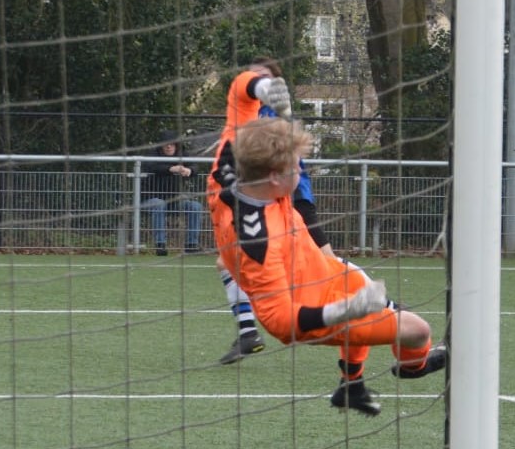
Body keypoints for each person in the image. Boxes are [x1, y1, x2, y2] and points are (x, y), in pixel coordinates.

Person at [213, 116, 445, 414]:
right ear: (274, 177)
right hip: (316, 310)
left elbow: (238, 113)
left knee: (364, 287)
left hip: (324, 273)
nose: (301, 171)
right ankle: (414, 368)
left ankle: (351, 387)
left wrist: (256, 92)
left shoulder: (228, 179)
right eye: (295, 166)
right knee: (418, 331)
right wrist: (346, 309)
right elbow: (280, 321)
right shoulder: (260, 243)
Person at [206, 58, 296, 364]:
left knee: (317, 267)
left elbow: (291, 172)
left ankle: (380, 308)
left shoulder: (270, 121)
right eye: (254, 75)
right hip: (241, 202)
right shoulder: (250, 111)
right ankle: (247, 332)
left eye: (264, 76)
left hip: (266, 205)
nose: (254, 78)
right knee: (226, 264)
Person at [141, 138, 204, 255]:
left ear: (176, 145)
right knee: (159, 204)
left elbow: (195, 166)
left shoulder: (183, 155)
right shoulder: (153, 154)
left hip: (175, 201)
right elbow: (150, 166)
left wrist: (189, 170)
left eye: (172, 144)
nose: (168, 147)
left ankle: (191, 245)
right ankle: (160, 245)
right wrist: (170, 169)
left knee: (195, 206)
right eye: (166, 144)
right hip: (150, 200)